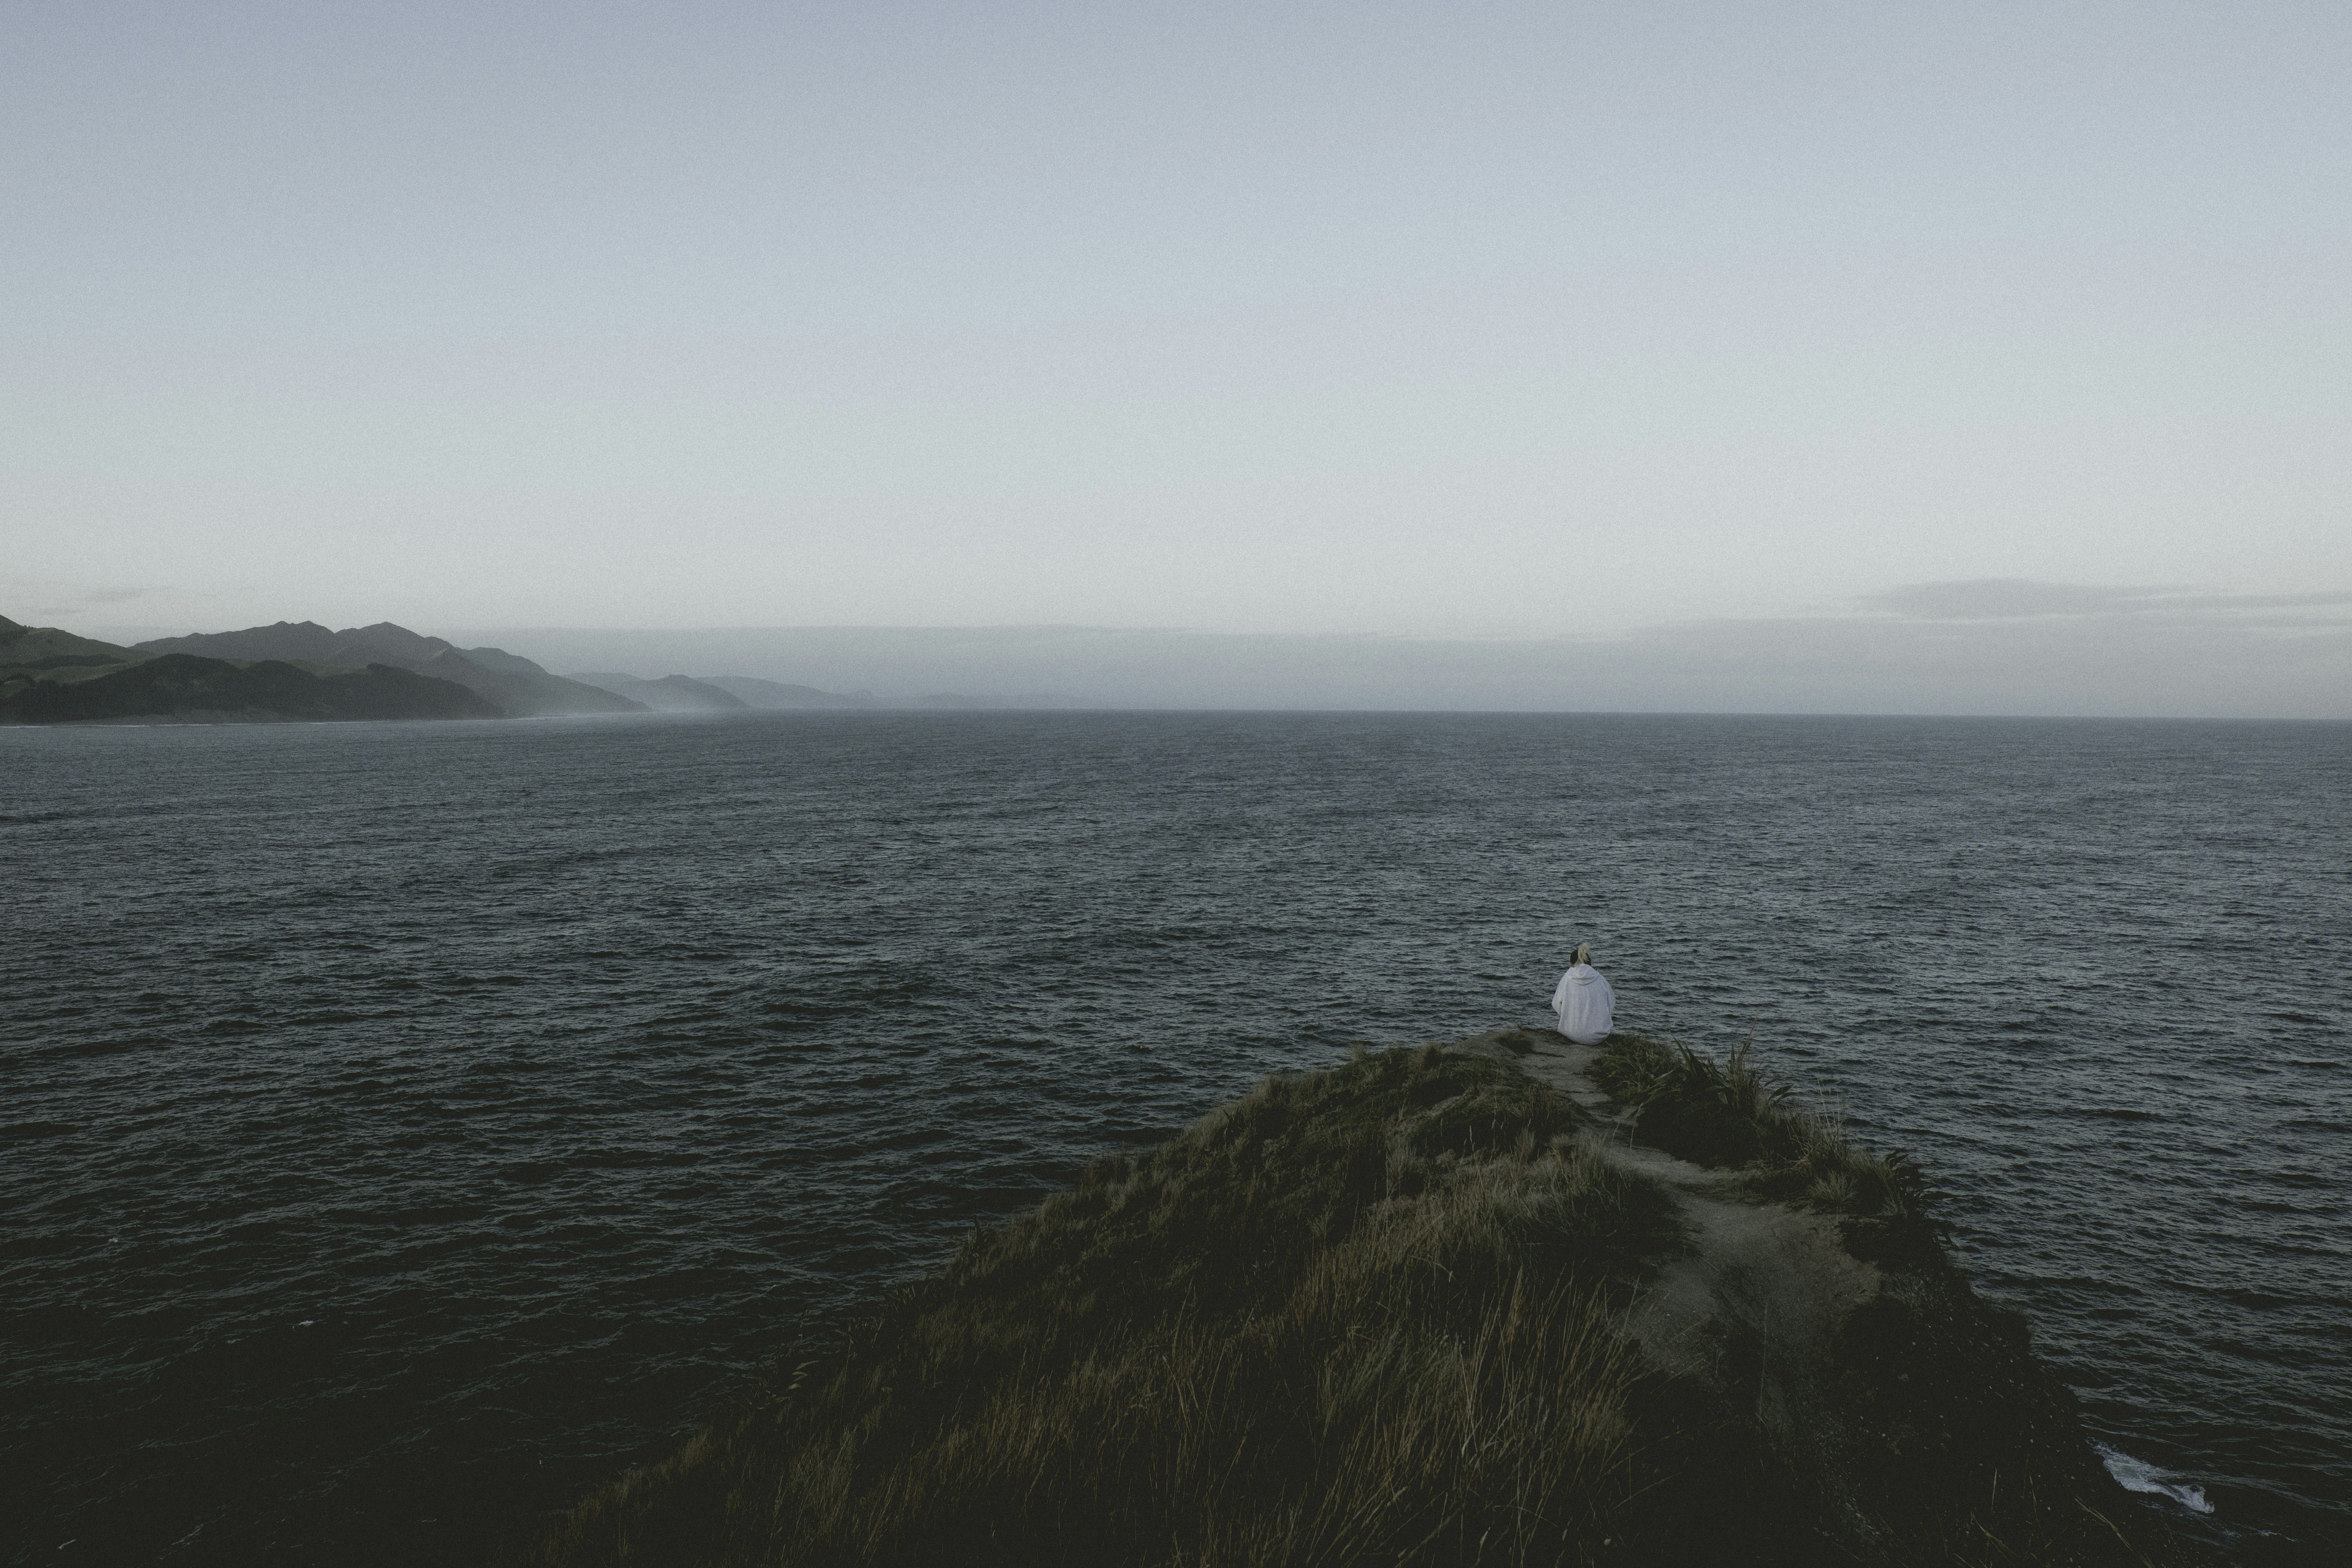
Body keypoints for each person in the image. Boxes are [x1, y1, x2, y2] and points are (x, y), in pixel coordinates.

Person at [1551, 943, 1614, 1044]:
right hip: (1598, 1036)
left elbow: (1556, 1004)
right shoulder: (1600, 979)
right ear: (1590, 964)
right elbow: (1611, 1004)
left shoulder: (1567, 979)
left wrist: (1569, 1017)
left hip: (1570, 1034)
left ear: (1572, 964)